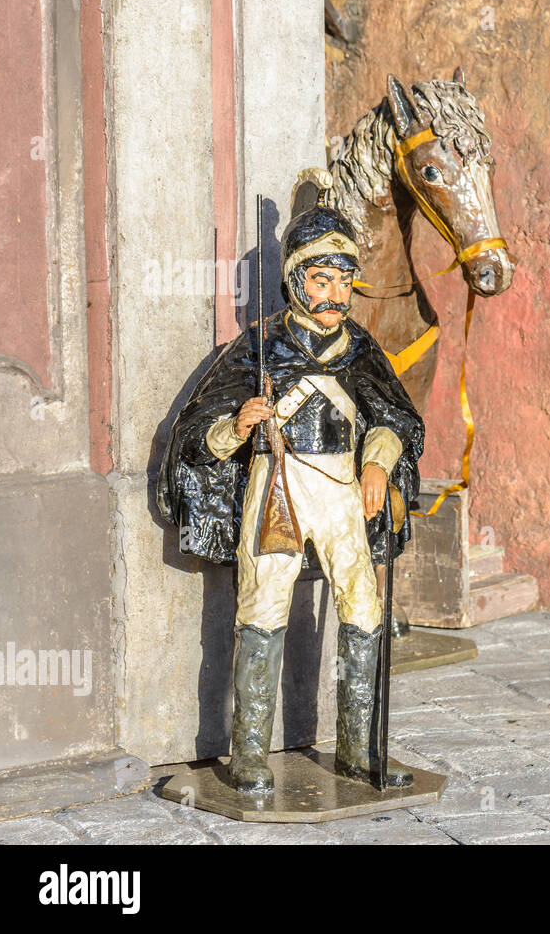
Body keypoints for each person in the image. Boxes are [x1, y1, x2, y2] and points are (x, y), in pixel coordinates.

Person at [158, 206, 424, 793]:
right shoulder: (259, 346)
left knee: (362, 604)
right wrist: (237, 425)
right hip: (275, 487)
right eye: (320, 279)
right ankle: (248, 752)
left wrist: (378, 463)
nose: (333, 294)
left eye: (341, 281)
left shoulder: (360, 351)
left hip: (343, 492)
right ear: (296, 281)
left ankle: (358, 747)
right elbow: (200, 425)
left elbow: (394, 420)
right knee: (263, 606)